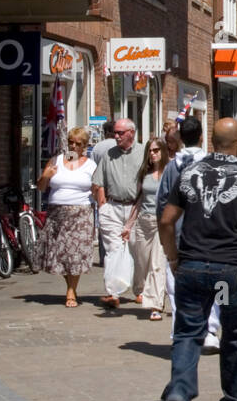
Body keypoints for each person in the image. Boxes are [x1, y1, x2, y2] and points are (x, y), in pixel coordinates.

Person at [158, 118, 237, 401]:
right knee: (233, 334)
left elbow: (165, 221)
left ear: (211, 140)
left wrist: (173, 256)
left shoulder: (188, 172)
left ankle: (180, 391)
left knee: (189, 333)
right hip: (225, 274)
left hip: (191, 270)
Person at [156, 117, 221, 348]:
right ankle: (210, 330)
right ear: (202, 136)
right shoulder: (213, 165)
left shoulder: (172, 167)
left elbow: (162, 203)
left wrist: (165, 238)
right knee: (212, 283)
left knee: (177, 285)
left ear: (181, 138)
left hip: (179, 234)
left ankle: (181, 329)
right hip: (208, 234)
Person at [36, 126, 97, 307]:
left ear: (85, 146)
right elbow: (41, 187)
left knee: (75, 254)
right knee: (59, 253)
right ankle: (71, 285)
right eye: (71, 142)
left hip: (81, 214)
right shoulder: (56, 161)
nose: (73, 146)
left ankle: (71, 292)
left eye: (78, 144)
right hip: (57, 213)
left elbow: (96, 189)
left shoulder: (90, 165)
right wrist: (45, 176)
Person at [92, 118, 146, 309]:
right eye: (115, 132)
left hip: (136, 207)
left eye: (120, 133)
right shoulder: (109, 155)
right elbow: (98, 182)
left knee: (136, 250)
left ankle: (139, 290)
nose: (116, 136)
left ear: (131, 132)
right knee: (113, 250)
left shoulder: (143, 153)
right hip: (113, 207)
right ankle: (112, 292)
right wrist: (102, 206)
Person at [121, 137, 171, 321]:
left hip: (162, 224)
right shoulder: (144, 173)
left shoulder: (170, 172)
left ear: (163, 151)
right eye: (150, 151)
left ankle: (155, 305)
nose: (153, 153)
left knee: (157, 265)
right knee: (141, 262)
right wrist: (128, 225)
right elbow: (139, 200)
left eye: (156, 150)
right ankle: (140, 289)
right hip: (144, 221)